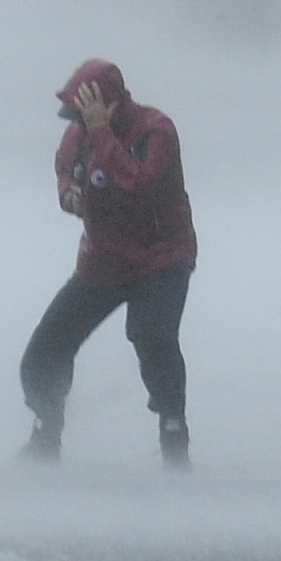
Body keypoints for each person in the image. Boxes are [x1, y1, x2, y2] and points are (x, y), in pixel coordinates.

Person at [18, 58, 195, 468]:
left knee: (152, 337)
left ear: (110, 105)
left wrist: (101, 133)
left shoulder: (156, 131)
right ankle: (47, 432)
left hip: (161, 256)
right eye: (76, 116)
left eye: (85, 113)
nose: (77, 122)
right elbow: (66, 170)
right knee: (45, 349)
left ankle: (173, 433)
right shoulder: (77, 136)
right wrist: (70, 194)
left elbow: (137, 183)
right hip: (105, 259)